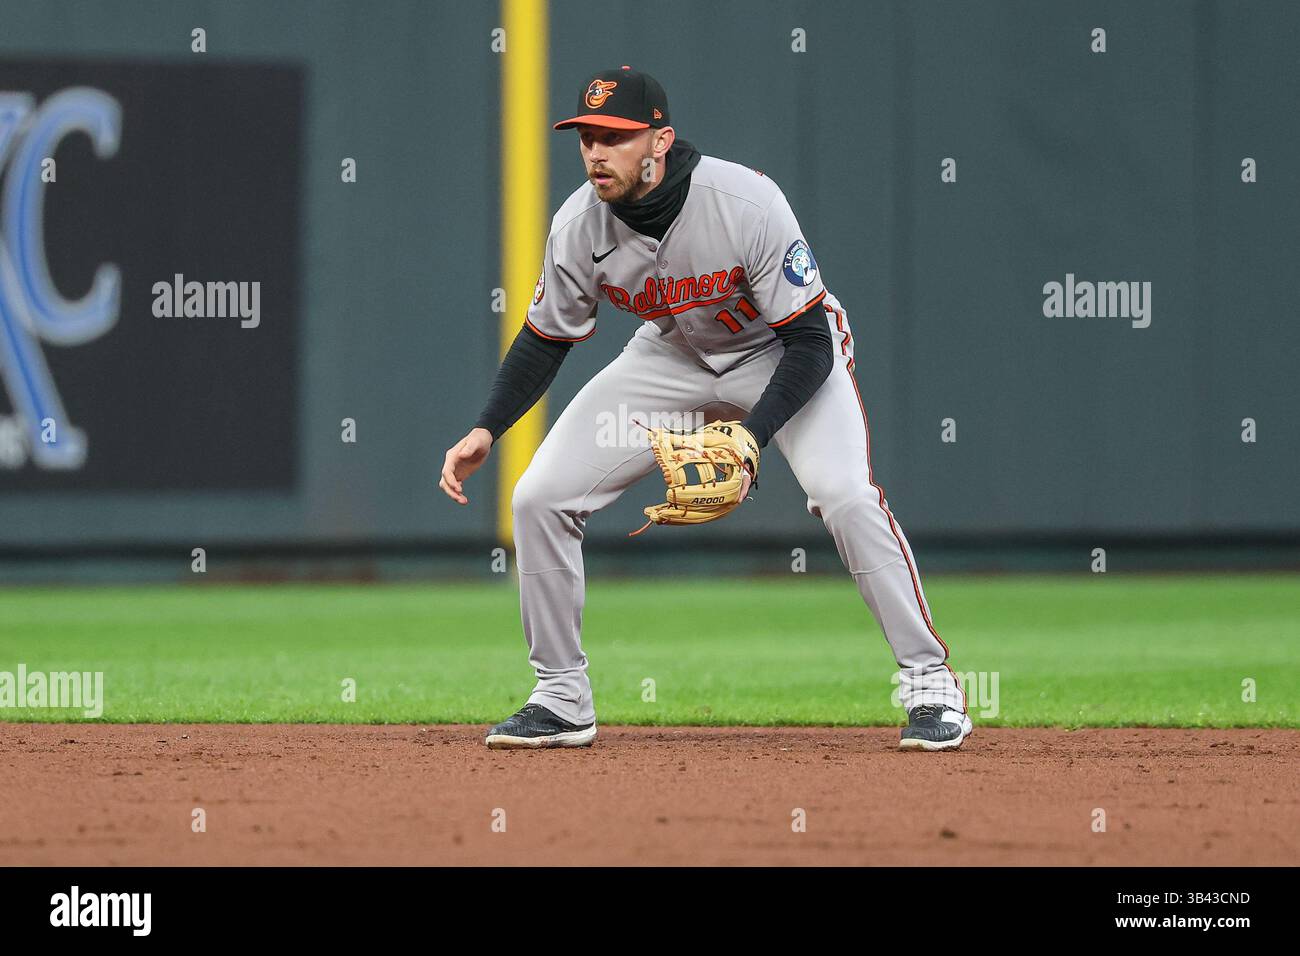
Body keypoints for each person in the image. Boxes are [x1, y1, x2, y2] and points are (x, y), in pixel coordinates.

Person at [439, 67, 971, 752]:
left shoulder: (744, 201)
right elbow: (547, 337)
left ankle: (931, 686)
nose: (596, 153)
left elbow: (811, 344)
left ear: (659, 140)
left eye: (616, 137)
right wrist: (487, 425)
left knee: (845, 495)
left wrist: (751, 437)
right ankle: (561, 695)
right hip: (671, 357)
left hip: (780, 352)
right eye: (586, 137)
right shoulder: (578, 224)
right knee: (540, 496)